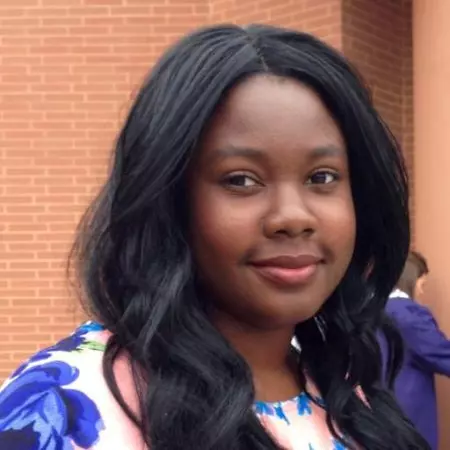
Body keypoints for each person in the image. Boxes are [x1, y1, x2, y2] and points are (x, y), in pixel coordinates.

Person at [0, 24, 430, 450]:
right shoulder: (60, 408)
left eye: (322, 177)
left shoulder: (346, 392)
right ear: (167, 198)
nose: (294, 217)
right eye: (241, 180)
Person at [382, 251, 450, 450]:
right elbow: (443, 356)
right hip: (406, 422)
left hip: (378, 417)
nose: (421, 292)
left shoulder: (371, 309)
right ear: (410, 279)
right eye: (422, 284)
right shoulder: (408, 315)